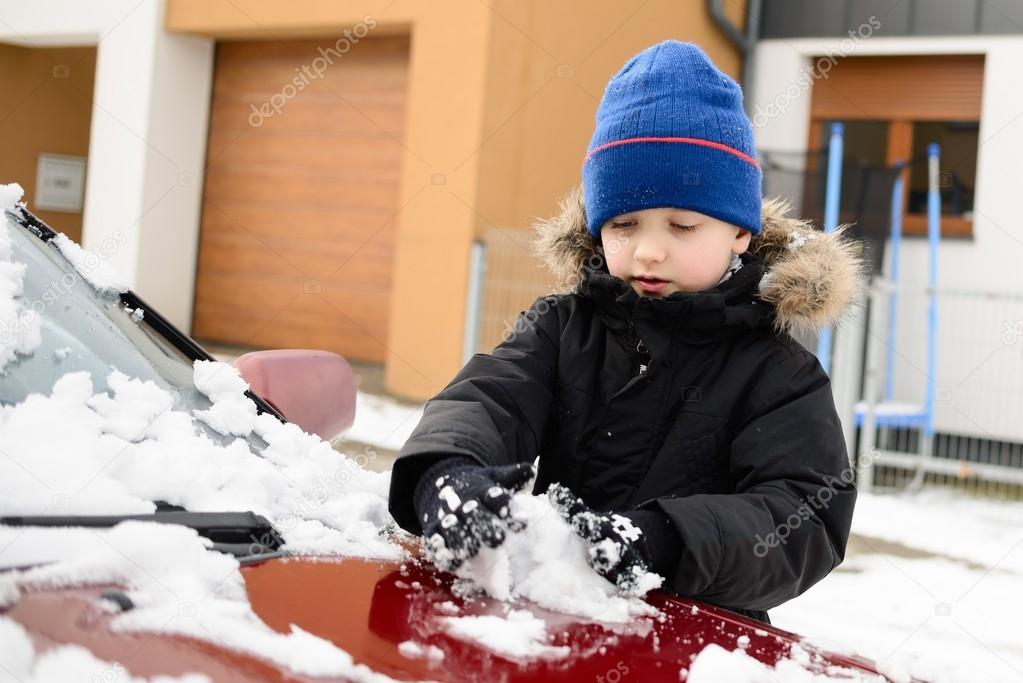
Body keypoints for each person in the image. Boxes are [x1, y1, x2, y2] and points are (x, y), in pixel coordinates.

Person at [387, 40, 864, 624]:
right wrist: (446, 471)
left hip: (691, 640)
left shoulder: (778, 372)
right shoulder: (562, 329)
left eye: (683, 225)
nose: (648, 250)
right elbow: (490, 398)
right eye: (622, 224)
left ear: (740, 232)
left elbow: (805, 518)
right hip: (550, 622)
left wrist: (666, 538)